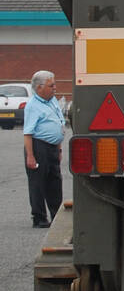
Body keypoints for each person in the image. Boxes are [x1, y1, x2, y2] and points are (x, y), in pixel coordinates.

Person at [23, 70, 65, 228]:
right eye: (51, 85)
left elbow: (59, 123)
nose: (55, 88)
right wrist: (30, 156)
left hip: (53, 147)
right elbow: (28, 133)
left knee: (55, 181)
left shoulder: (52, 100)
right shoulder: (33, 106)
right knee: (38, 183)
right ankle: (39, 217)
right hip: (38, 146)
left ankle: (56, 215)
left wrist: (59, 149)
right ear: (39, 88)